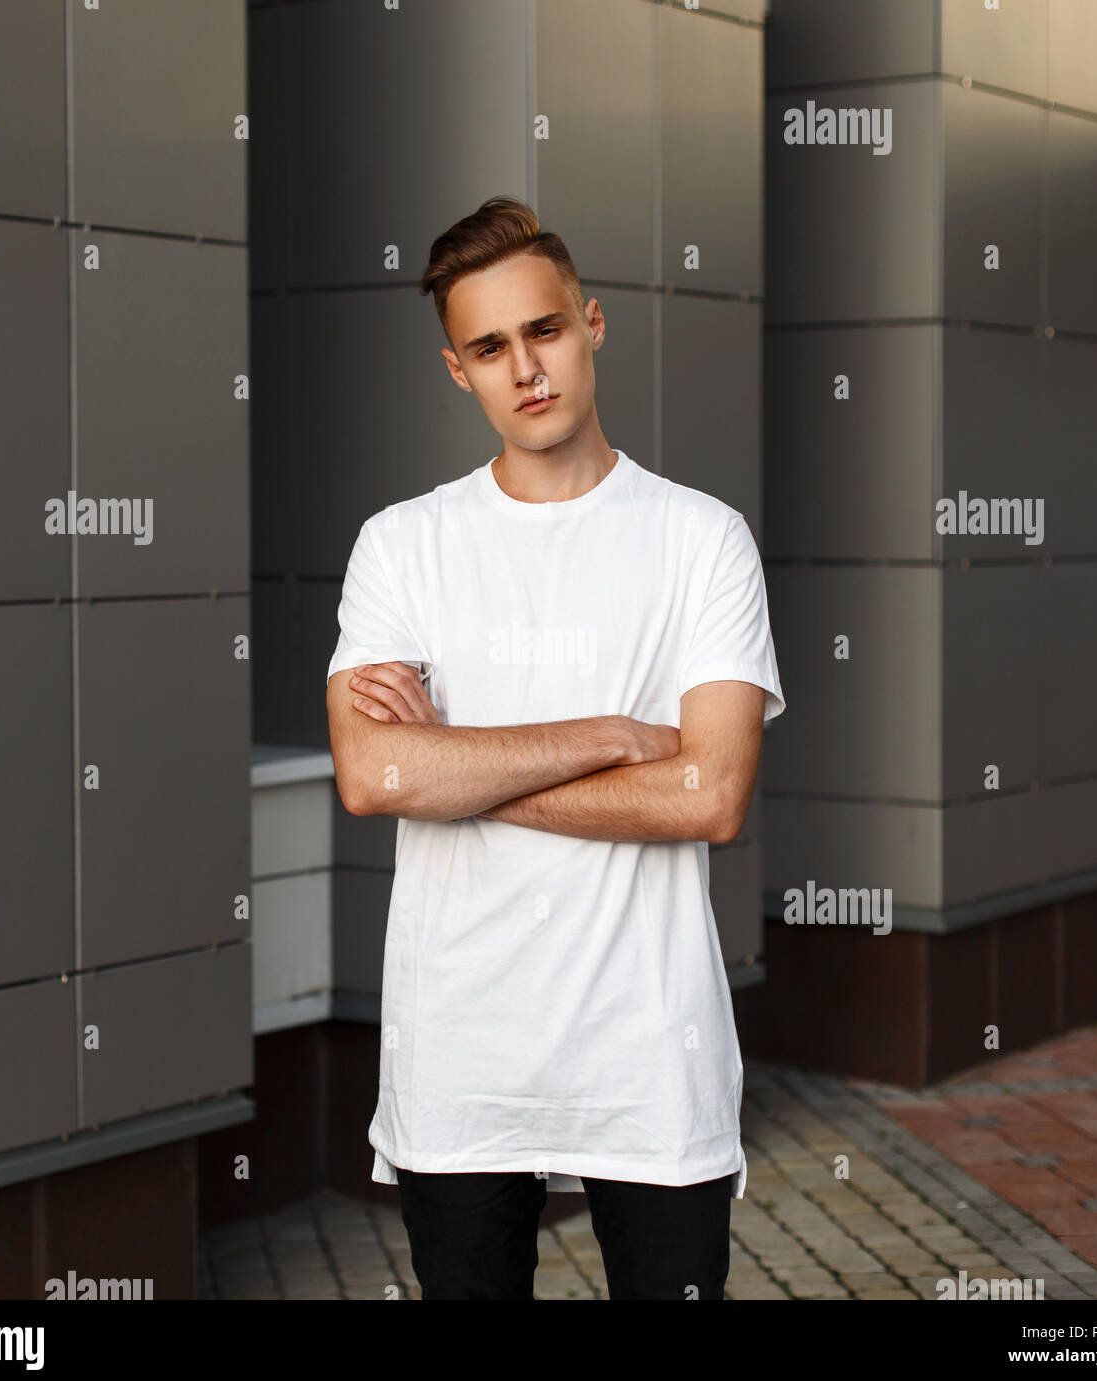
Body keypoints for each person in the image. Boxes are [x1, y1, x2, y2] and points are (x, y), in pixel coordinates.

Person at [325, 195, 785, 1300]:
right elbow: (373, 774)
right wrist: (603, 738)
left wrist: (460, 770)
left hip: (649, 1051)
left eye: (542, 331)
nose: (523, 367)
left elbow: (710, 793)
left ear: (590, 325)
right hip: (463, 1054)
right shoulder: (401, 547)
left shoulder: (700, 540)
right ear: (458, 371)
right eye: (489, 348)